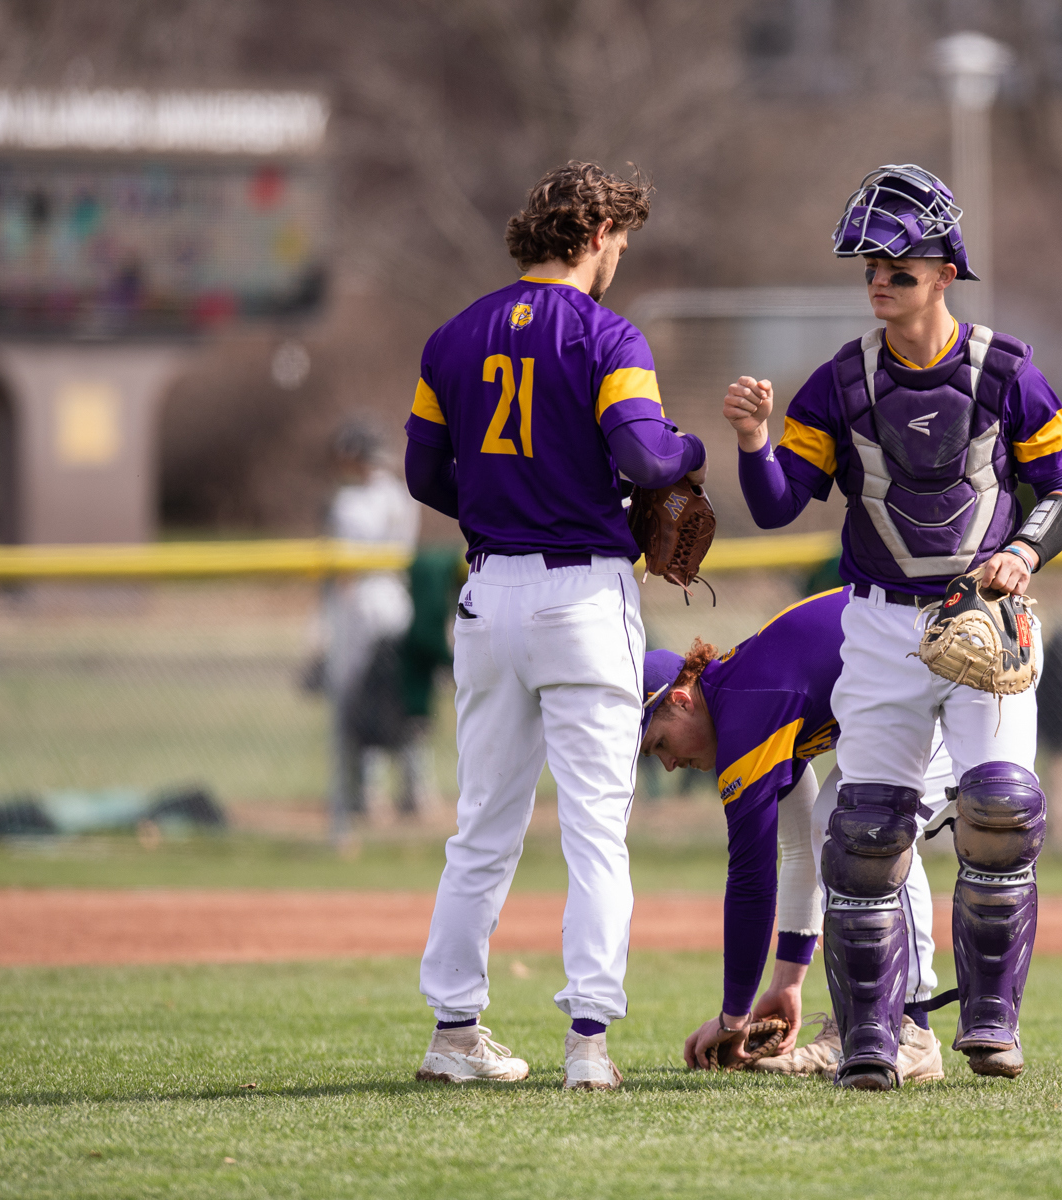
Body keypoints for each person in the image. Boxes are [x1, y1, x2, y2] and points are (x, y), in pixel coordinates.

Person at [724, 164, 1062, 1088]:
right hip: (881, 626)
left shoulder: (1005, 370)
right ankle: (874, 1041)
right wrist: (756, 443)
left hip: (984, 618)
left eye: (898, 263)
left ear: (942, 270)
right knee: (866, 830)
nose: (879, 280)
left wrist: (1025, 555)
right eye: (870, 268)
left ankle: (992, 1023)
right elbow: (777, 508)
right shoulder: (840, 382)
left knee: (1000, 808)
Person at [403, 161, 706, 1090]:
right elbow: (642, 451)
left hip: (489, 595)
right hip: (581, 597)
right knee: (593, 833)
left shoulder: (451, 338)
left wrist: (506, 504)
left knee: (481, 828)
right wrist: (690, 450)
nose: (620, 255)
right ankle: (586, 1048)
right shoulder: (609, 334)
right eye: (620, 240)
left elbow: (425, 477)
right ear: (596, 234)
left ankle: (455, 1036)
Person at [639, 589, 952, 1083]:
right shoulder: (740, 696)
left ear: (680, 700)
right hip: (926, 688)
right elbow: (797, 845)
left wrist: (733, 1018)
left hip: (957, 692)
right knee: (835, 824)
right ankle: (863, 1025)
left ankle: (911, 1027)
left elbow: (751, 881)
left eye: (659, 743)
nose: (669, 762)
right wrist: (788, 981)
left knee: (863, 829)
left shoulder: (746, 712)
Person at [317, 421, 422, 843]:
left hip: (361, 603)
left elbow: (342, 570)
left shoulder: (350, 502)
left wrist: (323, 624)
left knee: (362, 699)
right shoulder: (401, 495)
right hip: (398, 598)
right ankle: (417, 791)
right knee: (403, 696)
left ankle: (367, 794)